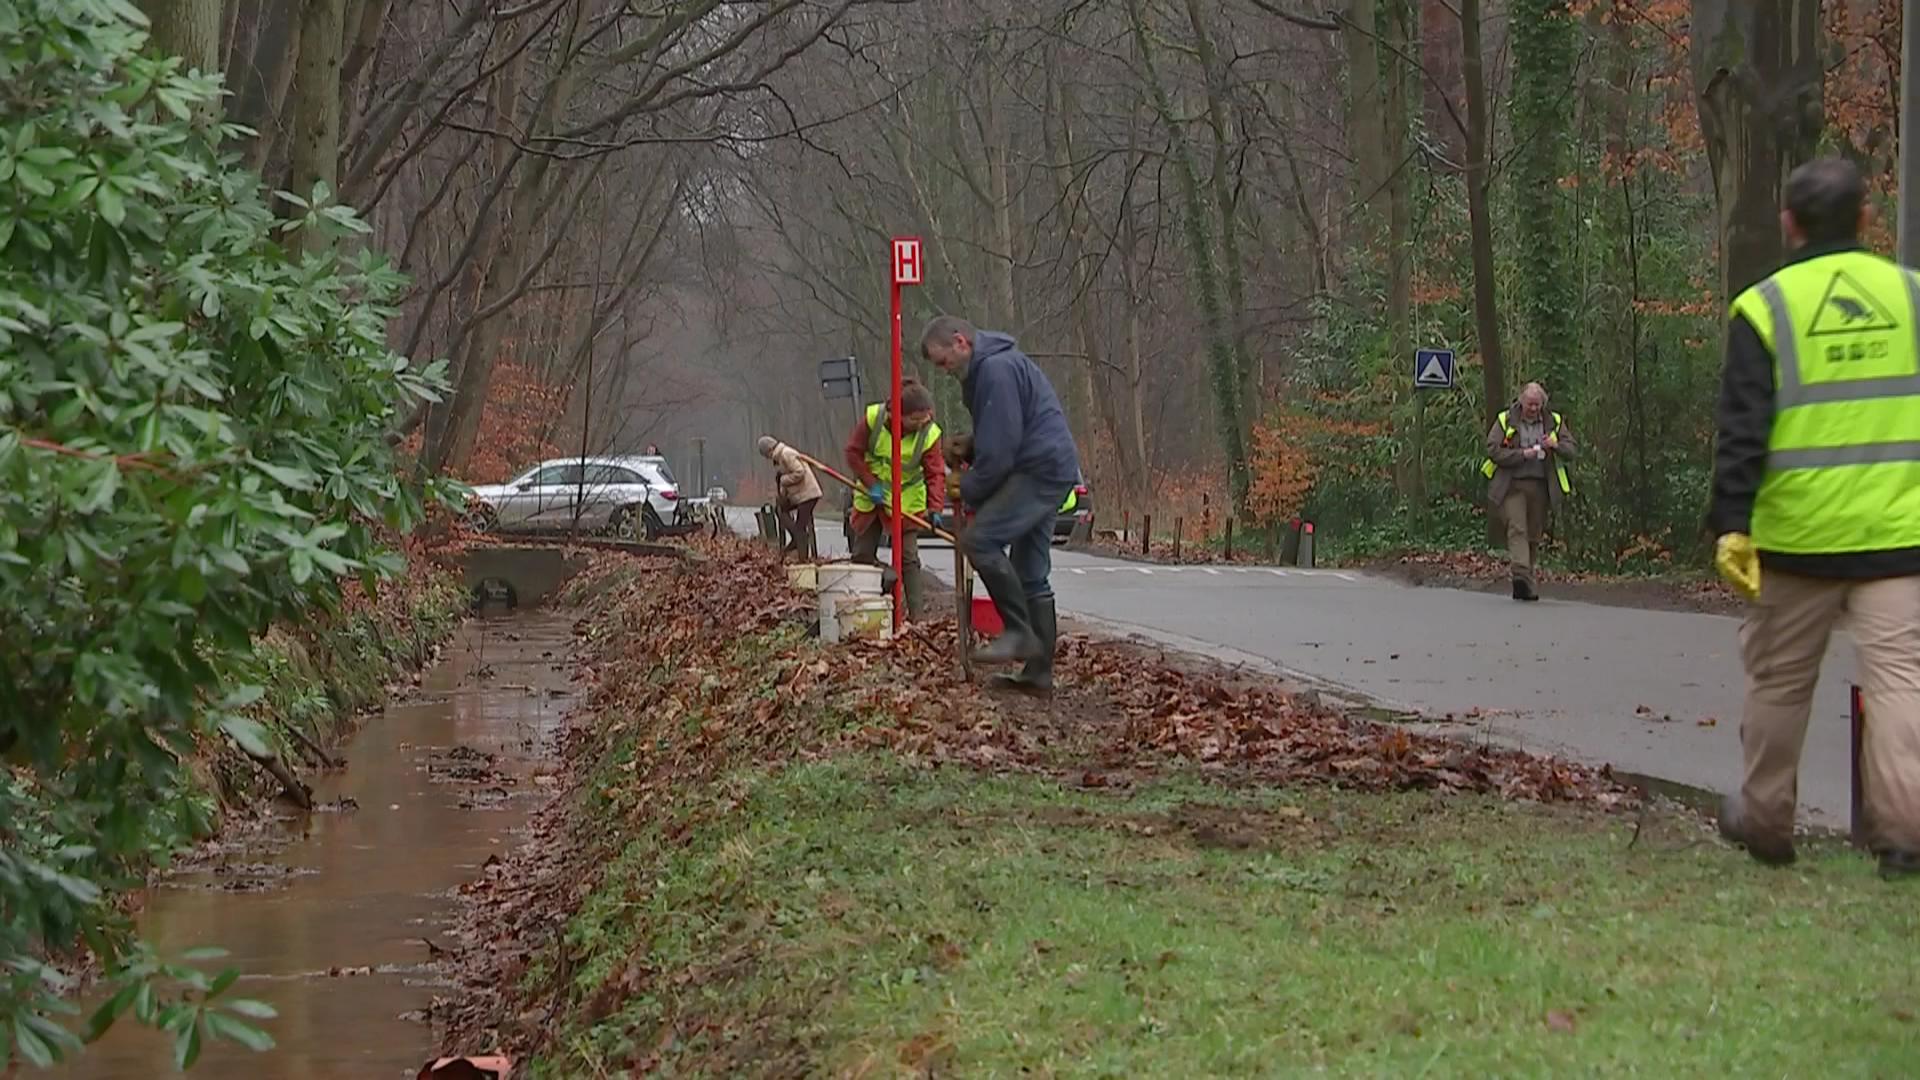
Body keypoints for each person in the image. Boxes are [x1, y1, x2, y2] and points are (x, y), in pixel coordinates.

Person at [1709, 156, 1920, 878]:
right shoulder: (1912, 299)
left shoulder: (1764, 308)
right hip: (1898, 537)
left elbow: (1742, 430)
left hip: (1796, 541)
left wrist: (1730, 524)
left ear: (1788, 224)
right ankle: (1905, 834)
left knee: (1779, 683)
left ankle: (1766, 820)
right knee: (1900, 682)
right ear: (1867, 218)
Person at [922, 315, 1080, 692]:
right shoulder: (997, 365)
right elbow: (1008, 429)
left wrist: (968, 486)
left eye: (944, 362)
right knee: (1030, 572)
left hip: (1038, 470)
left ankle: (1018, 632)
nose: (945, 372)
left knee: (978, 540)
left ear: (961, 342)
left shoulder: (995, 369)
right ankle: (1038, 675)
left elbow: (1002, 453)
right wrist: (972, 445)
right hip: (1050, 466)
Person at [844, 379, 945, 618]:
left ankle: (917, 617)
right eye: (914, 420)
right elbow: (853, 453)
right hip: (872, 498)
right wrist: (871, 484)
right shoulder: (873, 419)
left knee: (909, 558)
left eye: (926, 418)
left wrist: (935, 507)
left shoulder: (930, 434)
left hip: (906, 501)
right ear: (896, 415)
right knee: (862, 555)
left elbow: (935, 473)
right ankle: (862, 608)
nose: (922, 424)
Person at [1482, 382, 1576, 601]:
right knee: (1517, 529)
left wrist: (1555, 445)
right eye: (1529, 404)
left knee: (1533, 535)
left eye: (1537, 405)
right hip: (1511, 485)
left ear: (1543, 403)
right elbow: (1492, 450)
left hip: (1541, 486)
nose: (1533, 409)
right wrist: (1522, 455)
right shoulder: (1505, 419)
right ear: (1521, 401)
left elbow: (1571, 450)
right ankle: (1521, 575)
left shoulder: (1553, 421)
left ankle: (1526, 583)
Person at [757, 435, 821, 559]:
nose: (767, 458)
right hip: (800, 495)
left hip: (808, 494)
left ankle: (802, 555)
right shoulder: (779, 458)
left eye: (766, 455)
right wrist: (783, 493)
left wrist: (783, 480)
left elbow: (799, 472)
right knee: (781, 509)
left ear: (770, 449)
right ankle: (797, 539)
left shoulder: (786, 454)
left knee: (800, 527)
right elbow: (785, 478)